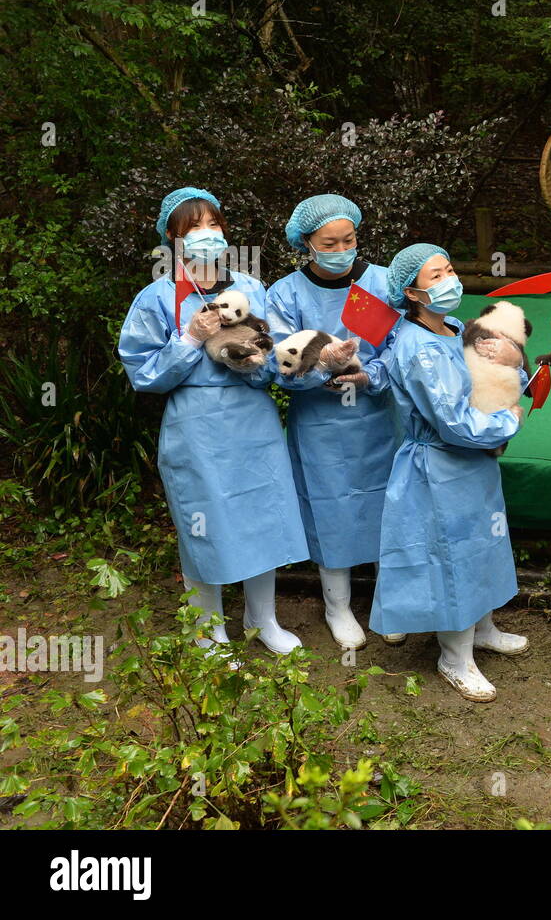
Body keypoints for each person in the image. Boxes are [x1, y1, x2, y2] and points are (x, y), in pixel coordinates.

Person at [119, 187, 308, 654]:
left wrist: (252, 360)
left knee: (263, 515)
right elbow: (144, 374)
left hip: (254, 420)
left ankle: (263, 619)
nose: (207, 235)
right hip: (196, 425)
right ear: (172, 237)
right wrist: (189, 339)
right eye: (194, 228)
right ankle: (208, 629)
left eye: (214, 225)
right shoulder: (158, 296)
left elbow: (275, 355)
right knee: (204, 523)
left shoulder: (251, 288)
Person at [368, 243, 529, 702]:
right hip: (439, 464)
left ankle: (482, 629)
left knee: (481, 546)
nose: (449, 281)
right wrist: (508, 421)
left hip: (472, 462)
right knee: (452, 557)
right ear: (413, 294)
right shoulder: (418, 348)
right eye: (435, 277)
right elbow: (452, 421)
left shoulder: (454, 328)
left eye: (449, 269)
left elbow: (484, 378)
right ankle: (454, 657)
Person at [266, 194, 399, 650]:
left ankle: (391, 600)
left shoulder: (380, 283)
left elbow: (405, 346)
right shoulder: (286, 293)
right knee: (331, 507)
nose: (342, 249)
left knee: (388, 505)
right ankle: (337, 605)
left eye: (350, 239)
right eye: (330, 242)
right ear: (307, 243)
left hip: (379, 417)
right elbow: (277, 364)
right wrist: (319, 364)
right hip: (320, 423)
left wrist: (373, 374)